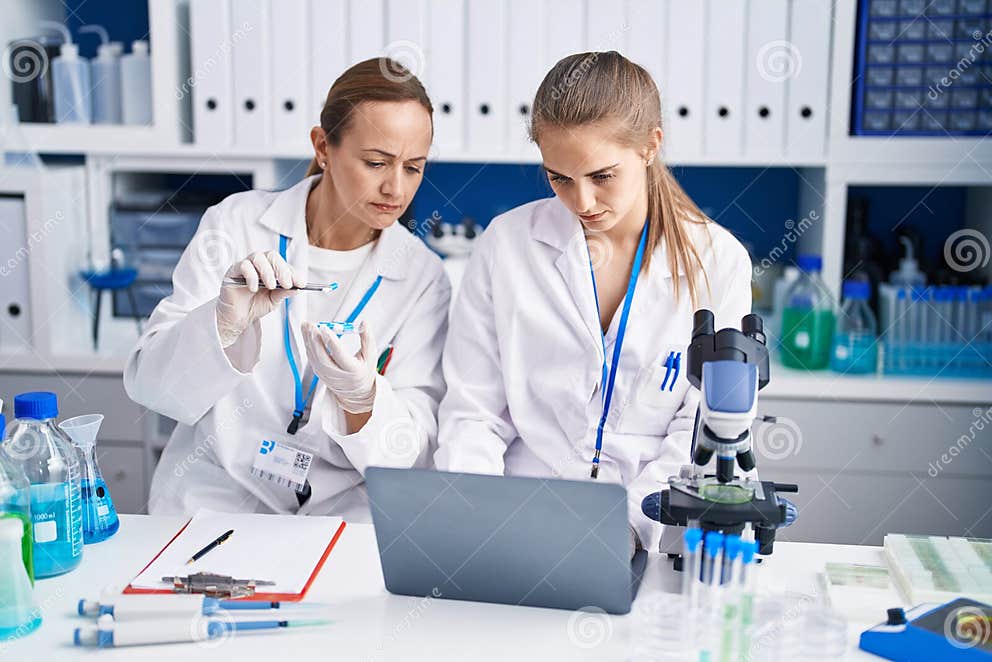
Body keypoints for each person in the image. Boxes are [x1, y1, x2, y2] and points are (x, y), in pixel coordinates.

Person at [435, 51, 757, 552]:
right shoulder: (506, 244)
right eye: (559, 178)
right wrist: (477, 516)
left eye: (602, 176)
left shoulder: (718, 262)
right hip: (514, 520)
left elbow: (703, 430)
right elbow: (473, 410)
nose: (582, 203)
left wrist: (627, 529)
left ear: (651, 146)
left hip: (647, 526)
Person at [125, 58, 449, 519]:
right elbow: (154, 390)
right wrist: (221, 326)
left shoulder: (423, 279)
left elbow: (411, 455)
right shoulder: (234, 225)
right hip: (216, 500)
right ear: (322, 146)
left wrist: (364, 401)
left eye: (413, 168)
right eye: (376, 162)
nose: (395, 188)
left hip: (342, 515)